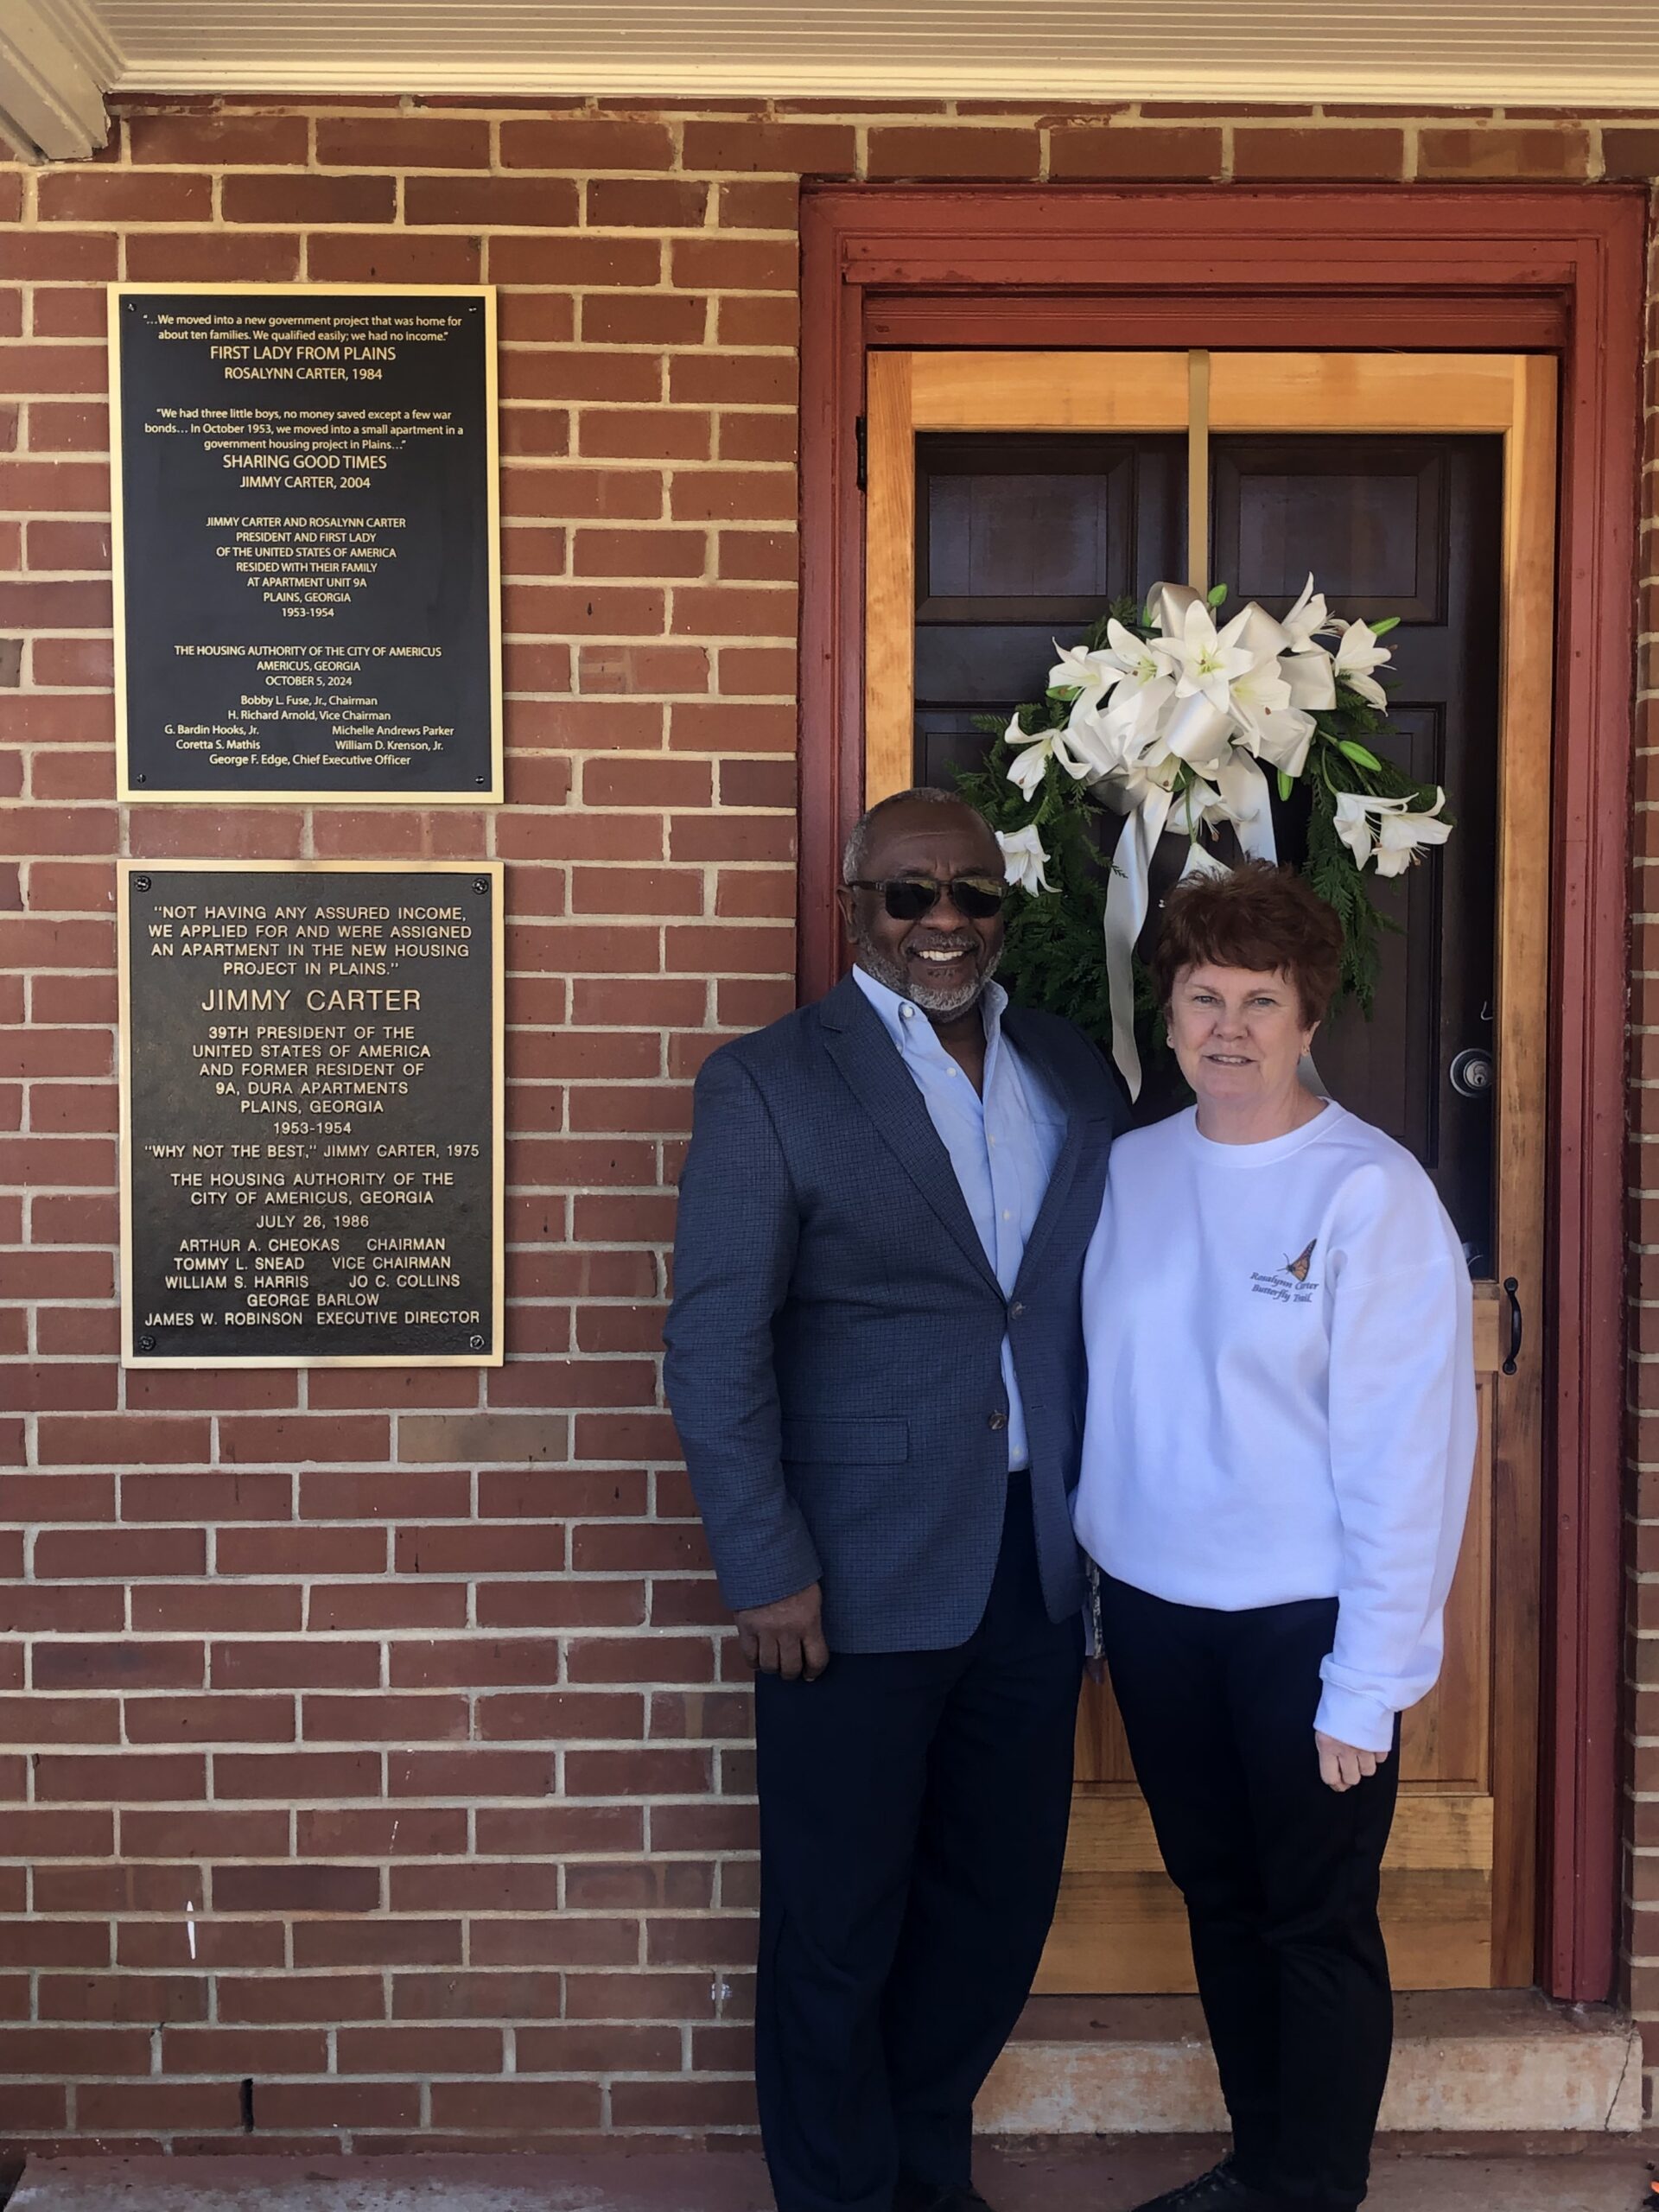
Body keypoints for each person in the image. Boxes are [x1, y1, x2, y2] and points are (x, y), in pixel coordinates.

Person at [664, 787, 1128, 2212]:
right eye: (907, 896)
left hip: (1031, 1564)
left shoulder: (1072, 1070)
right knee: (837, 1916)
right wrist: (761, 1564)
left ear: (1003, 910)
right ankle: (838, 2192)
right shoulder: (769, 1083)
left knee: (996, 1903)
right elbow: (714, 1342)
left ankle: (926, 2161)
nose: (943, 924)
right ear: (850, 908)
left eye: (973, 896)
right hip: (843, 1582)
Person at [1072, 861, 1476, 2212]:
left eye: (1261, 999)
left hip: (1305, 1631)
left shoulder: (1370, 1192)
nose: (1227, 1028)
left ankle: (1315, 2188)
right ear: (1169, 1011)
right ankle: (1262, 2166)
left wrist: (1369, 1679)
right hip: (1156, 1614)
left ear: (1311, 1019)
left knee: (1313, 1922)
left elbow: (1409, 1457)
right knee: (1221, 1902)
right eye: (1202, 997)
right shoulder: (1131, 1173)